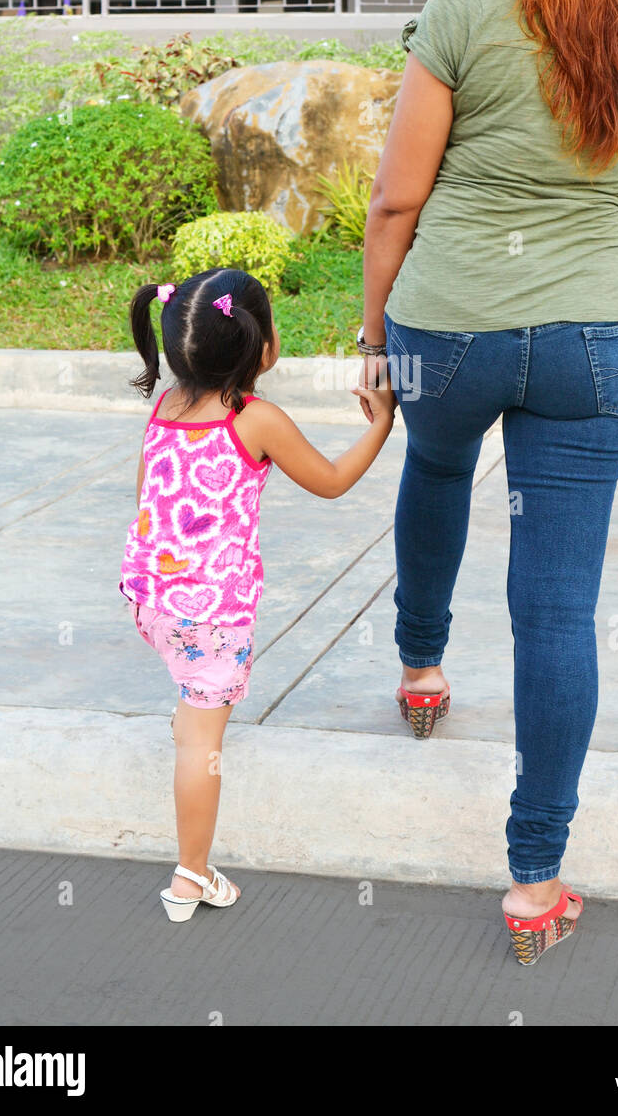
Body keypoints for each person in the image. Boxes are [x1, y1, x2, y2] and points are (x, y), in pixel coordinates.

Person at [358, 0, 618, 965]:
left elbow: (395, 197)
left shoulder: (458, 12)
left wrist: (373, 342)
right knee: (555, 610)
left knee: (437, 468)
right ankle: (533, 877)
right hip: (584, 350)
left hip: (446, 328)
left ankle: (418, 664)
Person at [121, 267, 394, 922]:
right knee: (201, 745)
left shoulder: (166, 407)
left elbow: (143, 500)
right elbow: (329, 482)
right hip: (209, 615)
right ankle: (191, 875)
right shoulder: (256, 420)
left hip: (148, 591)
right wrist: (381, 425)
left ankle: (191, 705)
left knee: (194, 701)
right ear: (262, 344)